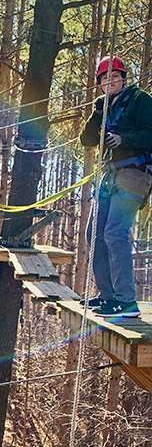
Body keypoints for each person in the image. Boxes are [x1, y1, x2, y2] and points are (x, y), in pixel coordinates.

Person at [80, 55, 152, 318]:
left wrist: (123, 139)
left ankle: (126, 301)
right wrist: (98, 112)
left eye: (115, 77)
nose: (110, 82)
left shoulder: (140, 100)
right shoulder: (105, 107)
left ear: (123, 78)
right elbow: (87, 140)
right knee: (94, 232)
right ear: (99, 83)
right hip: (111, 176)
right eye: (104, 78)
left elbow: (150, 134)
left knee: (114, 232)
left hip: (135, 171)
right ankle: (107, 295)